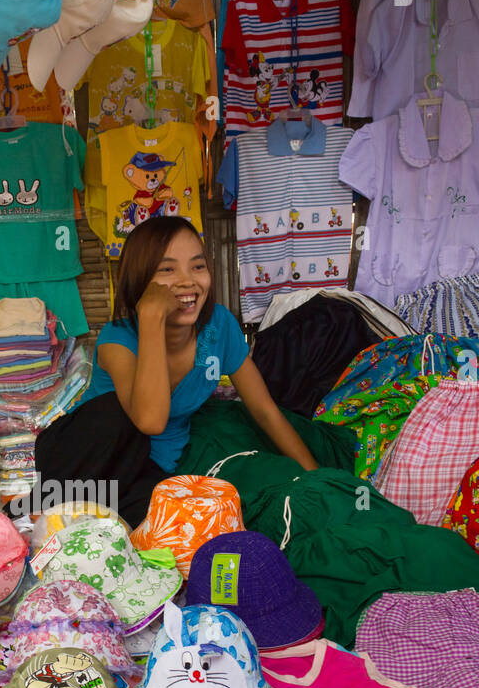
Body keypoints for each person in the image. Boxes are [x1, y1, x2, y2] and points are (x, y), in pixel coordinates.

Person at [35, 215, 319, 527]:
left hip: (148, 473)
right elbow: (150, 420)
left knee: (187, 523)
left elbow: (265, 411)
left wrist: (316, 478)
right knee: (114, 412)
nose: (187, 280)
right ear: (141, 281)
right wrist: (152, 317)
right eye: (167, 269)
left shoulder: (219, 326)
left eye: (198, 266)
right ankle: (50, 506)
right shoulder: (117, 339)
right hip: (84, 463)